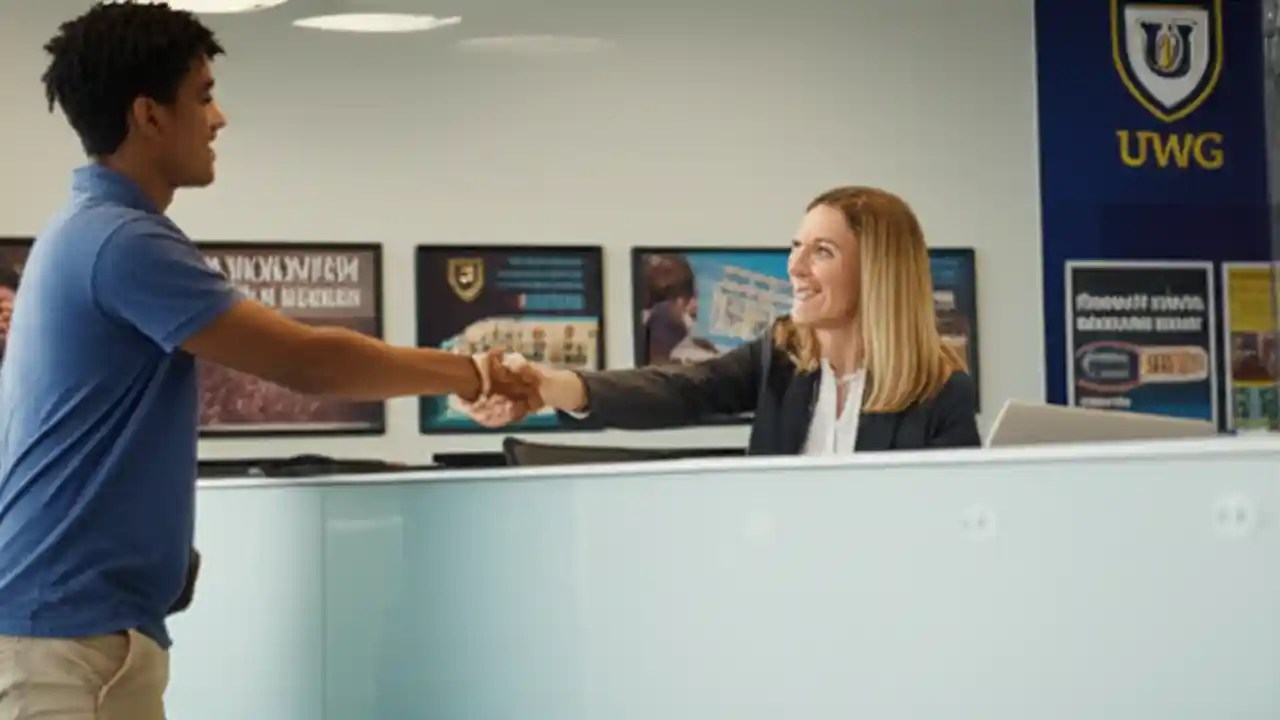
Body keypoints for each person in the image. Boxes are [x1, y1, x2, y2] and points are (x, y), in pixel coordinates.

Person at [0, 4, 538, 718]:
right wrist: (470, 373)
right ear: (147, 115)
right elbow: (309, 363)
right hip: (71, 643)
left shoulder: (85, 233)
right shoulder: (121, 242)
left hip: (79, 629)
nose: (219, 119)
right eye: (202, 96)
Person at [466, 186, 982, 453]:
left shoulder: (939, 389)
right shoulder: (782, 356)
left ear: (880, 272)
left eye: (821, 252)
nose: (795, 268)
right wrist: (550, 387)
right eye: (796, 247)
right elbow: (680, 388)